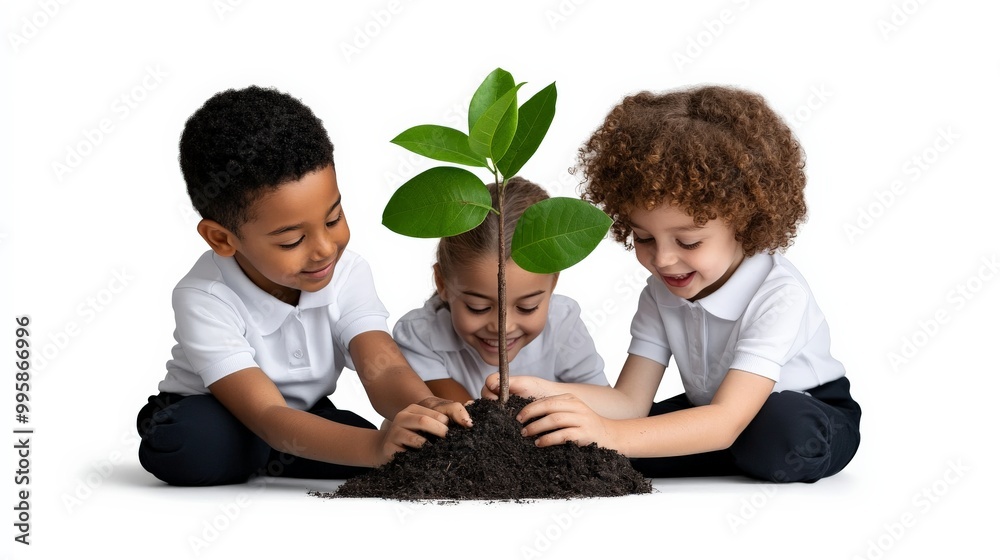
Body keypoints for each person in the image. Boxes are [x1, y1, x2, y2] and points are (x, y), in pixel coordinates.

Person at [484, 86, 861, 483]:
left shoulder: (780, 293)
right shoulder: (660, 292)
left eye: (688, 242)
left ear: (745, 222)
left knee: (782, 431)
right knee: (591, 440)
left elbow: (728, 418)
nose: (662, 260)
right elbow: (629, 403)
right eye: (644, 238)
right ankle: (709, 449)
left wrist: (613, 435)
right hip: (715, 412)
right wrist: (544, 392)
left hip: (805, 411)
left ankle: (709, 448)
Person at [136, 86, 471, 486]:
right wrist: (373, 447)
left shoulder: (348, 272)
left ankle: (292, 446)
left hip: (304, 411)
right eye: (292, 241)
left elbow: (383, 368)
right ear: (222, 239)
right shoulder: (204, 297)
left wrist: (424, 405)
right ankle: (286, 446)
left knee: (388, 440)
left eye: (333, 219)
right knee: (194, 444)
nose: (325, 249)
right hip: (212, 409)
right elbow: (268, 415)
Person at [393, 177, 609, 403]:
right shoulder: (419, 335)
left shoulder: (564, 323)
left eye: (527, 308)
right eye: (479, 308)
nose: (502, 327)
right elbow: (465, 421)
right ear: (442, 283)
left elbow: (608, 405)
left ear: (553, 283)